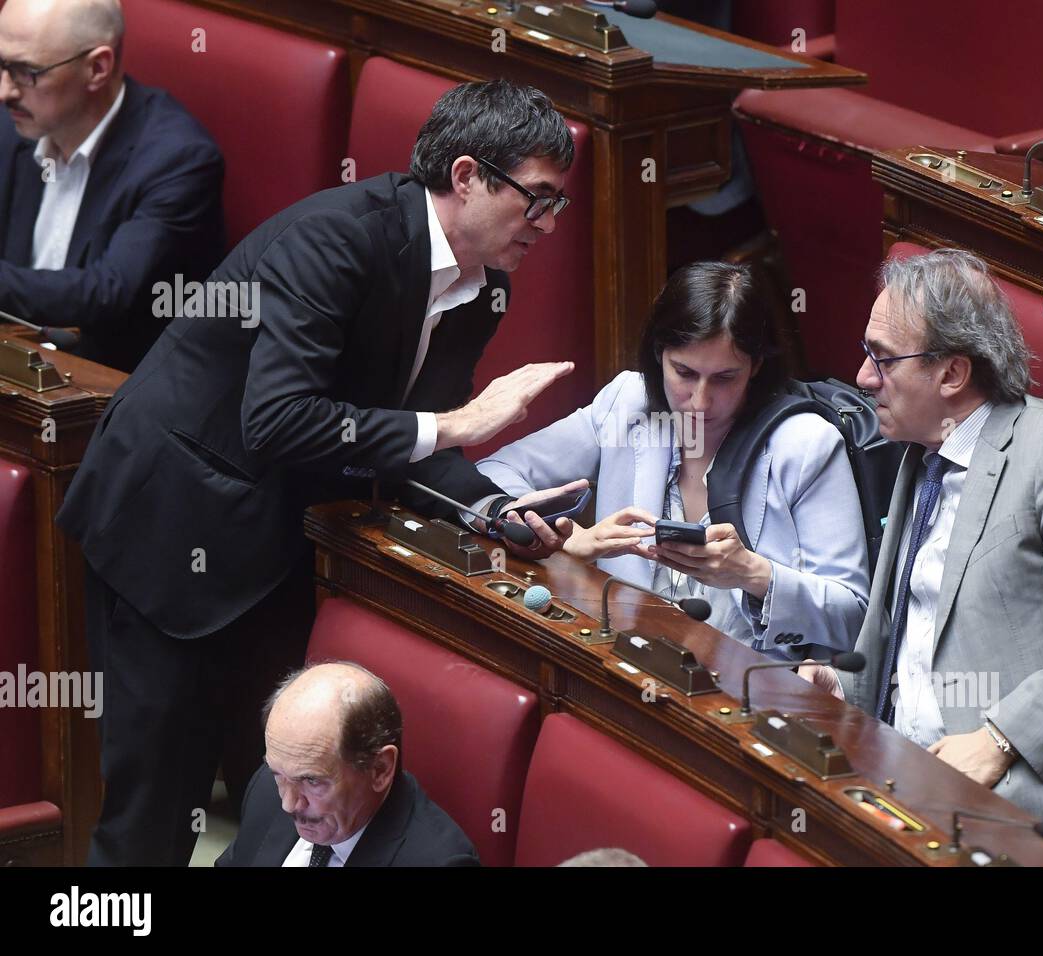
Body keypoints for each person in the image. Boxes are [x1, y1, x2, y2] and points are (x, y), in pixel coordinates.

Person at [57, 78, 580, 866]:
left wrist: (498, 510)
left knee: (277, 807)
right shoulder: (339, 239)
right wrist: (456, 424)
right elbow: (277, 418)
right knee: (149, 823)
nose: (545, 224)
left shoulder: (483, 291)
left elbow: (412, 444)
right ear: (468, 175)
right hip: (170, 534)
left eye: (557, 205)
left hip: (274, 551)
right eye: (536, 200)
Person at [821, 248, 1043, 865]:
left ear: (952, 374)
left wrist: (999, 740)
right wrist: (842, 684)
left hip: (1034, 811)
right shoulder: (917, 457)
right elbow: (918, 636)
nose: (862, 376)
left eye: (882, 357)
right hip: (909, 788)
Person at [477, 261, 869, 658]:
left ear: (756, 367)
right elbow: (493, 474)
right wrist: (568, 538)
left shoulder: (805, 444)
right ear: (659, 354)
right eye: (684, 372)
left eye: (724, 378)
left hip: (744, 691)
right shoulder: (627, 404)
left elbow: (854, 617)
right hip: (616, 659)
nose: (699, 401)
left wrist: (754, 574)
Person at [0, 0, 225, 371]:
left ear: (97, 68)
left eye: (27, 72)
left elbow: (108, 294)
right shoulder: (15, 121)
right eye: (3, 65)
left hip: (115, 391)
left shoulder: (180, 161)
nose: (5, 91)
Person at [217, 662, 479, 867]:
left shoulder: (438, 862)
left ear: (380, 769)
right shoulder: (267, 788)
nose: (288, 804)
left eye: (312, 781)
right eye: (278, 774)